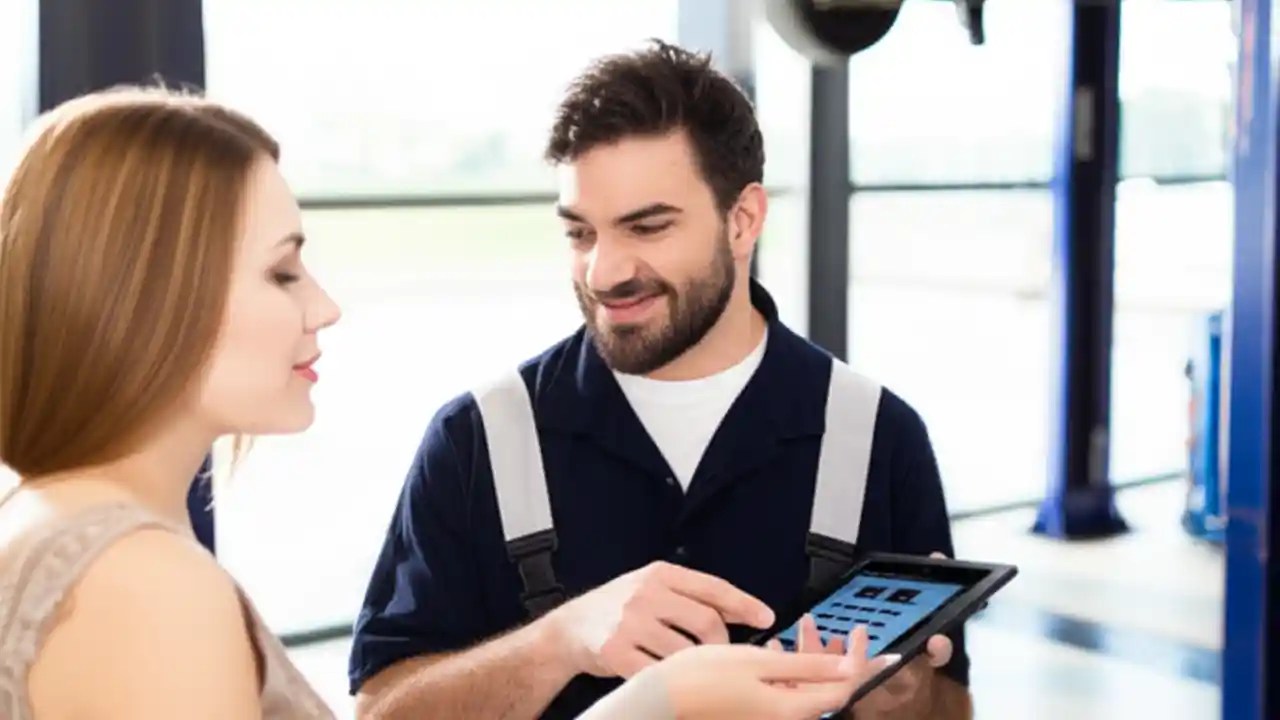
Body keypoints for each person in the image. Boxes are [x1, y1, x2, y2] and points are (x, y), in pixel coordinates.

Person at [0, 87, 889, 720]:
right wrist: (651, 706)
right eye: (281, 269)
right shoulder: (149, 588)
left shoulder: (46, 524)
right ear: (154, 297)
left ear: (744, 220)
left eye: (646, 226)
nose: (324, 304)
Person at [349, 40, 973, 720]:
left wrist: (903, 701)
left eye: (647, 227)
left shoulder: (881, 434)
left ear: (743, 220)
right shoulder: (476, 440)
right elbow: (382, 710)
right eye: (580, 233)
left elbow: (949, 709)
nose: (604, 272)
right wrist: (558, 643)